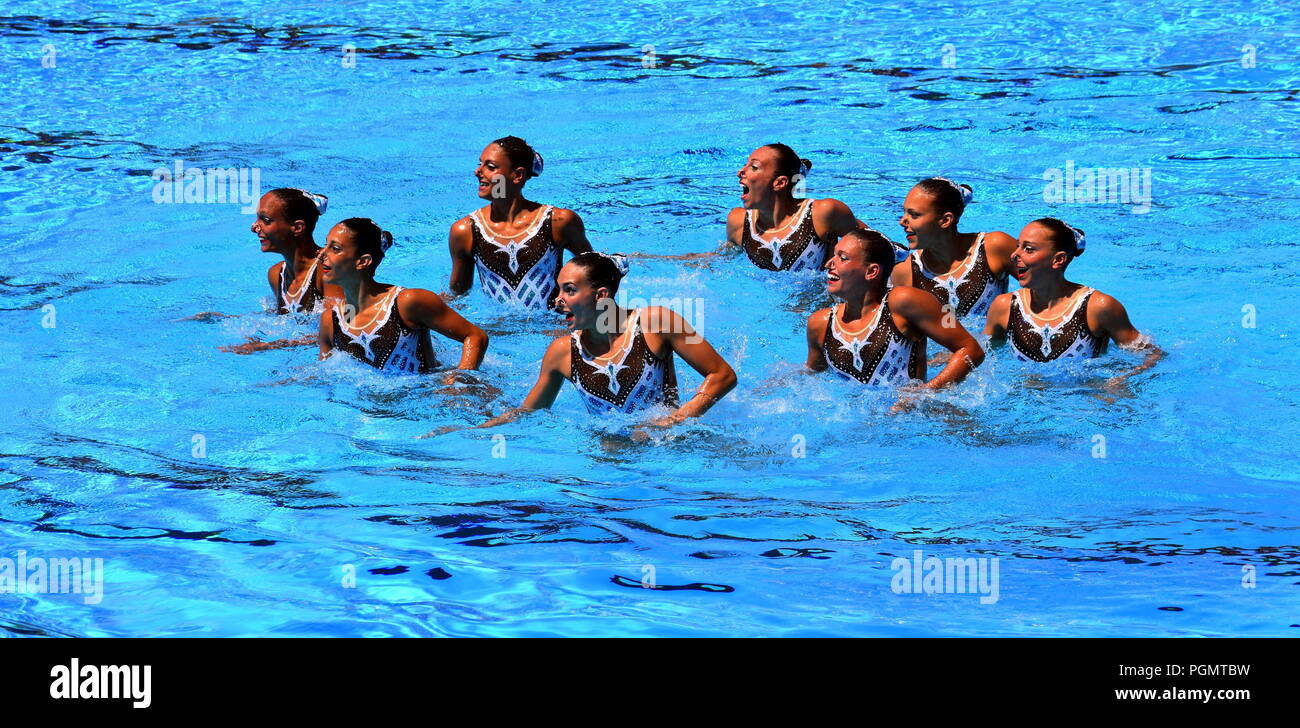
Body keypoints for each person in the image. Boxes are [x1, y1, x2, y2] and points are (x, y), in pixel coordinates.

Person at [469, 252, 735, 432]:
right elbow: (527, 413)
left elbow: (722, 375)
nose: (557, 299)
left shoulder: (656, 323)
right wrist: (471, 432)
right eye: (559, 289)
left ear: (601, 296)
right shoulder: (562, 353)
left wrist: (672, 421)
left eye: (569, 290)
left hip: (665, 452)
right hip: (604, 460)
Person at [805, 229, 984, 405]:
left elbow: (971, 349)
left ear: (872, 271)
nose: (829, 263)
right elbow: (813, 374)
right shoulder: (820, 323)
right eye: (834, 255)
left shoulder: (904, 301)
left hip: (913, 425)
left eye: (842, 258)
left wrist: (925, 393)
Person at [983, 218, 1162, 375]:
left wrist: (1123, 378)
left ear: (1058, 260)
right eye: (1017, 247)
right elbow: (986, 355)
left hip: (1084, 405)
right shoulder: (1005, 306)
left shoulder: (1098, 307)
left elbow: (1154, 354)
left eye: (1028, 249)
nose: (1014, 255)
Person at [318, 218, 488, 374]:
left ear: (363, 261)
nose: (321, 254)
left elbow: (475, 336)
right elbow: (325, 375)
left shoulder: (407, 302)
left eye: (335, 249)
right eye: (325, 245)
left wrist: (462, 379)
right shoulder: (331, 320)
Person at [446, 136, 592, 309]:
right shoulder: (465, 231)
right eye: (479, 164)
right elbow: (458, 295)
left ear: (518, 175)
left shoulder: (558, 222)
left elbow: (595, 275)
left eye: (490, 167)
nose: (478, 172)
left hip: (553, 329)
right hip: (496, 331)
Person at [727, 143, 898, 272]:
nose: (740, 172)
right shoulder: (739, 221)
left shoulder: (822, 213)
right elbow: (728, 255)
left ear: (780, 183)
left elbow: (875, 245)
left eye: (753, 167)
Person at [891, 177, 1017, 320]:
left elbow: (1045, 290)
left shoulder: (993, 247)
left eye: (914, 215)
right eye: (904, 212)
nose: (902, 221)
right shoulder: (906, 272)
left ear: (945, 220)